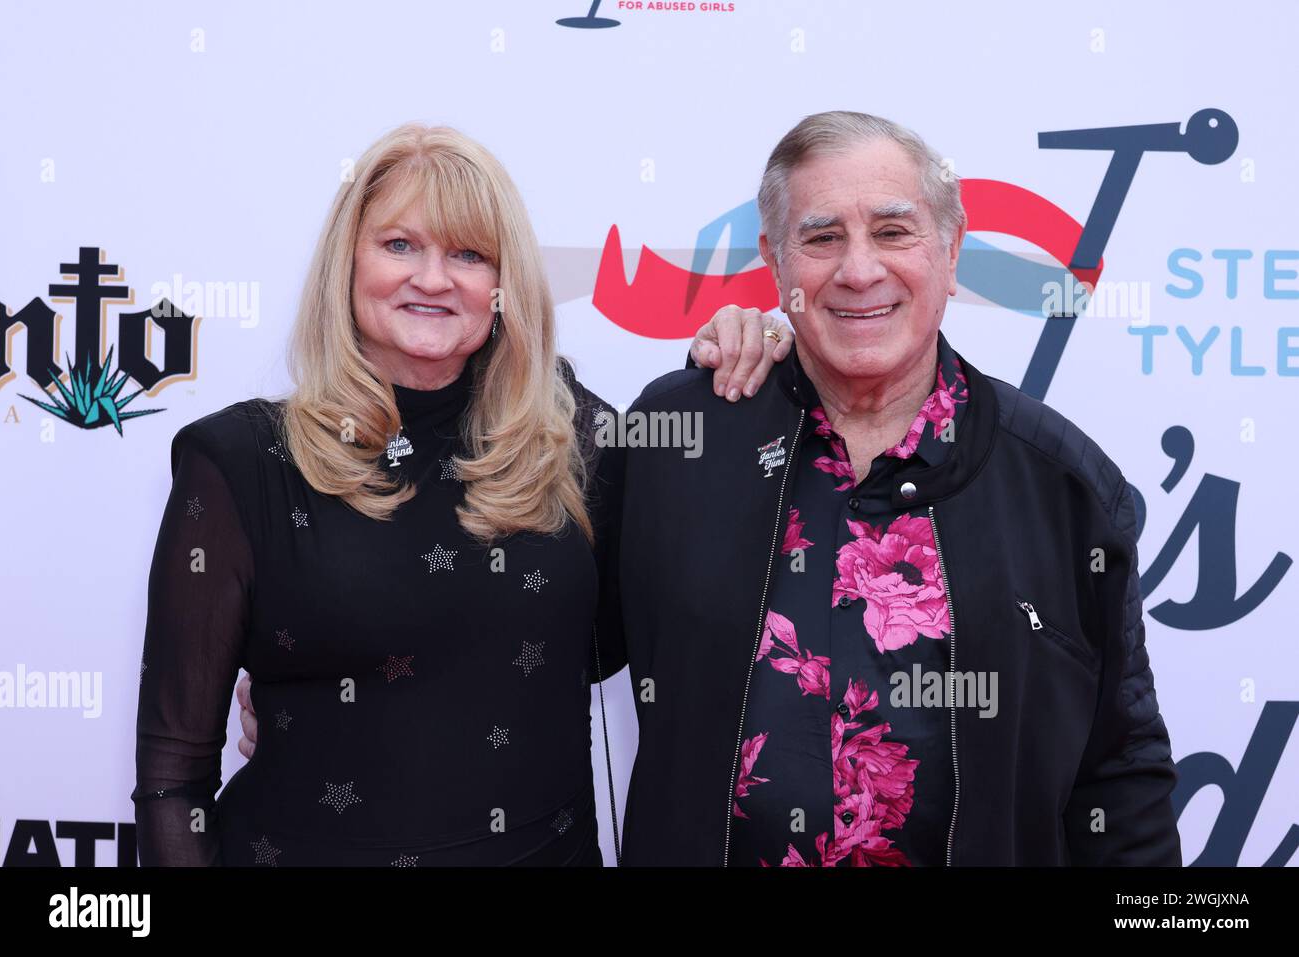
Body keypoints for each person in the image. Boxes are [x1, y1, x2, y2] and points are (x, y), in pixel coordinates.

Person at [131, 123, 788, 866]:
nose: (434, 278)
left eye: (469, 254)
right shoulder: (239, 460)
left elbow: (661, 600)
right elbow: (170, 781)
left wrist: (755, 344)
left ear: (504, 286)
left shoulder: (572, 433)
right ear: (346, 264)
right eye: (399, 245)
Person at [606, 111, 1182, 865]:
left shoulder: (1062, 485)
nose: (858, 270)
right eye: (821, 238)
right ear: (776, 264)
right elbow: (532, 628)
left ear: (950, 251)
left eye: (892, 231)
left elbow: (1121, 774)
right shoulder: (676, 441)